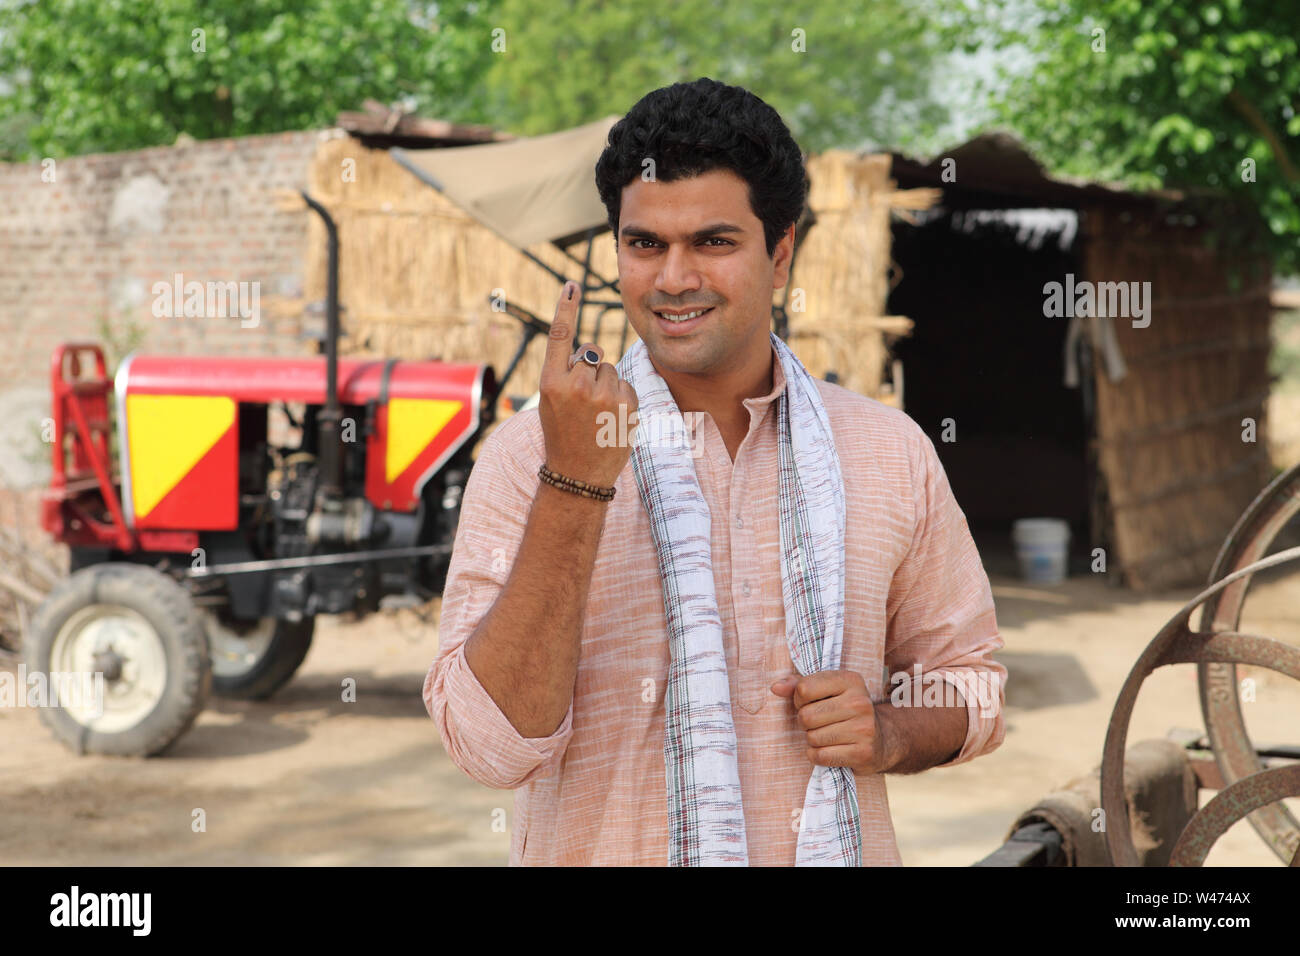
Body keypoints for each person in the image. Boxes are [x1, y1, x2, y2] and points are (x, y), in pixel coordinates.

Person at [423, 77, 1006, 866]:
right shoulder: (529, 455)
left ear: (782, 253)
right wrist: (576, 483)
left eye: (714, 242)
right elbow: (491, 750)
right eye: (644, 244)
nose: (673, 278)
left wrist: (893, 728)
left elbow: (970, 682)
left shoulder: (886, 451)